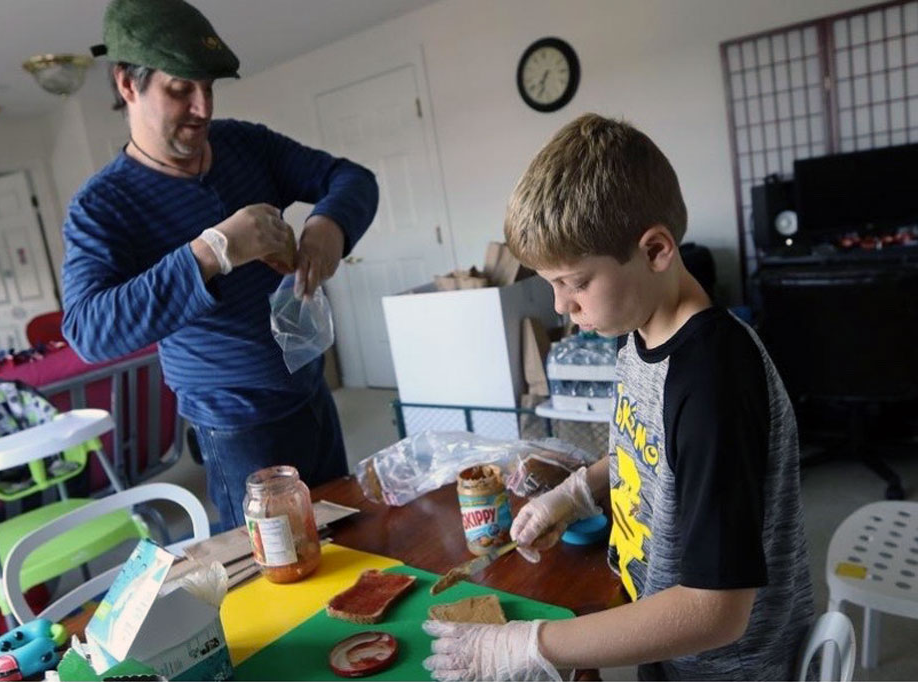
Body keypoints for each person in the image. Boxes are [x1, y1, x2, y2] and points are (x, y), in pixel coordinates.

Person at [423, 114, 814, 680]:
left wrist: (529, 645)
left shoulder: (713, 381)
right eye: (551, 283)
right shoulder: (639, 329)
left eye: (576, 282)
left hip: (724, 666)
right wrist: (575, 493)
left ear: (655, 250)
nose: (560, 306)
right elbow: (657, 452)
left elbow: (716, 611)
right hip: (665, 639)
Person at [61, 0, 378, 529]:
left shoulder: (243, 144)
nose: (203, 108)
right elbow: (89, 330)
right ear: (128, 84)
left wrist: (330, 226)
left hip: (312, 391)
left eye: (208, 87)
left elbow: (352, 178)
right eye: (180, 89)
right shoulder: (102, 206)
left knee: (347, 536)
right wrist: (211, 252)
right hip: (237, 429)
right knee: (277, 567)